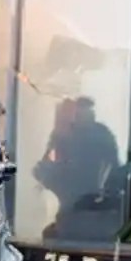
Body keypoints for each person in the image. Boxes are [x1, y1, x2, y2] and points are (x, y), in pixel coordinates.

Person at [33, 96, 121, 244]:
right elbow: (46, 160)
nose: (84, 116)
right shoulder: (64, 133)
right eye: (80, 112)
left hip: (93, 200)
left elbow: (114, 164)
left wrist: (107, 190)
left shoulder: (102, 134)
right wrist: (47, 174)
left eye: (87, 111)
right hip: (70, 200)